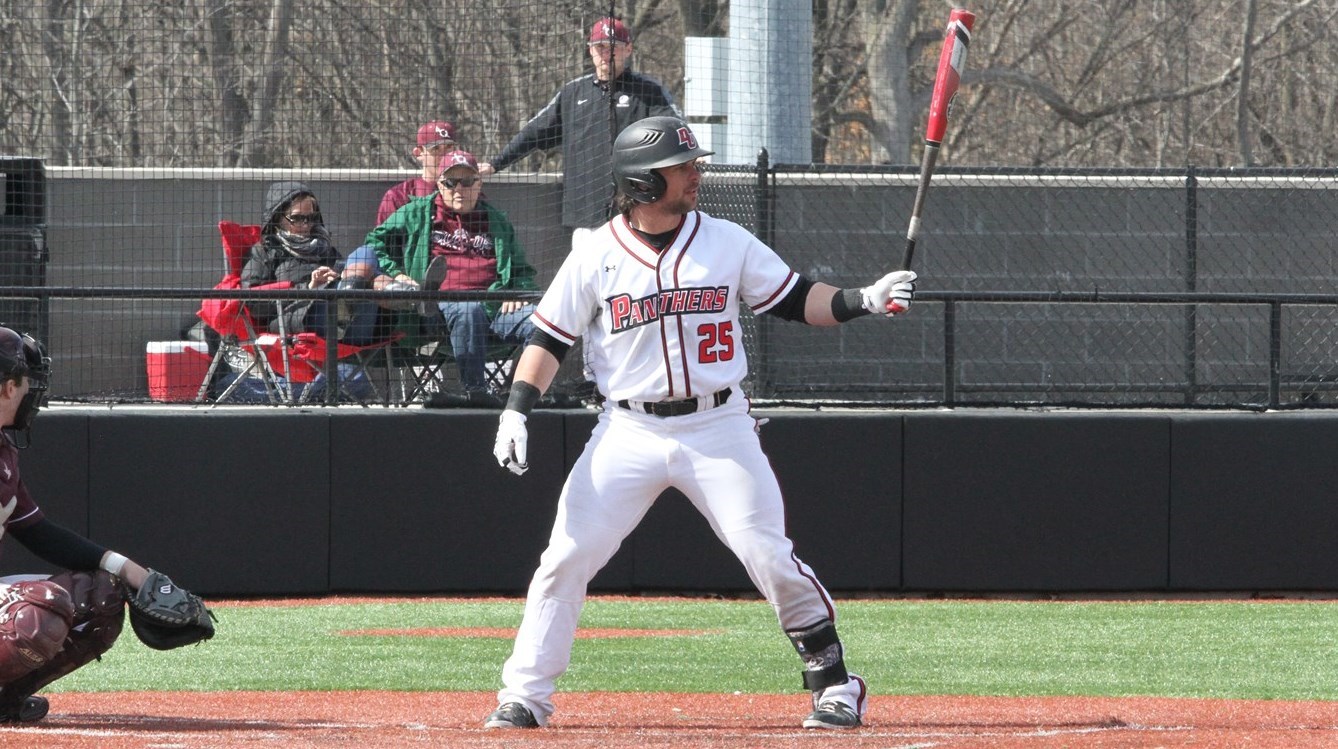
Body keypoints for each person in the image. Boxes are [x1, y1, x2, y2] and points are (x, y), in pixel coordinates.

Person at [485, 116, 916, 731]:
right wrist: (515, 409)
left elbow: (797, 300)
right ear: (642, 181)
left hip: (719, 427)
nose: (696, 173)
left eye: (693, 163)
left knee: (765, 551)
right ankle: (525, 695)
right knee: (565, 557)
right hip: (627, 431)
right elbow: (549, 340)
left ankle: (836, 686)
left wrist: (864, 299)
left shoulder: (726, 240)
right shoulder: (597, 254)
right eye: (682, 166)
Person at [0, 327, 186, 723]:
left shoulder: (5, 452)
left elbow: (38, 532)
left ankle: (5, 701)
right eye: (27, 383)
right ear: (6, 387)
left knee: (98, 595)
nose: (33, 393)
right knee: (37, 611)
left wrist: (133, 572)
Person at [354, 150, 538, 394]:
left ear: (479, 183)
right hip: (435, 312)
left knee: (545, 321)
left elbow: (522, 270)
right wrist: (396, 274)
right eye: (450, 182)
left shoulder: (497, 221)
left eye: (467, 181)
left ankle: (515, 393)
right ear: (439, 185)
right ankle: (476, 393)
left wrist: (516, 293)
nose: (458, 189)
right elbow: (374, 242)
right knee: (467, 308)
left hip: (494, 307)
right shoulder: (417, 212)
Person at [480, 16, 680, 236]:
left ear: (628, 49)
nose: (607, 53)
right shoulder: (573, 93)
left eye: (614, 47)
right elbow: (533, 133)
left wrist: (687, 154)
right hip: (586, 214)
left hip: (637, 212)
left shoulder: (649, 91)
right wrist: (495, 164)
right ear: (590, 50)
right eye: (600, 47)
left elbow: (674, 127)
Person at [376, 120, 460, 225]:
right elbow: (382, 239)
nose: (443, 155)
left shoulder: (465, 191)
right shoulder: (399, 196)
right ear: (419, 153)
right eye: (436, 149)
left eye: (448, 147)